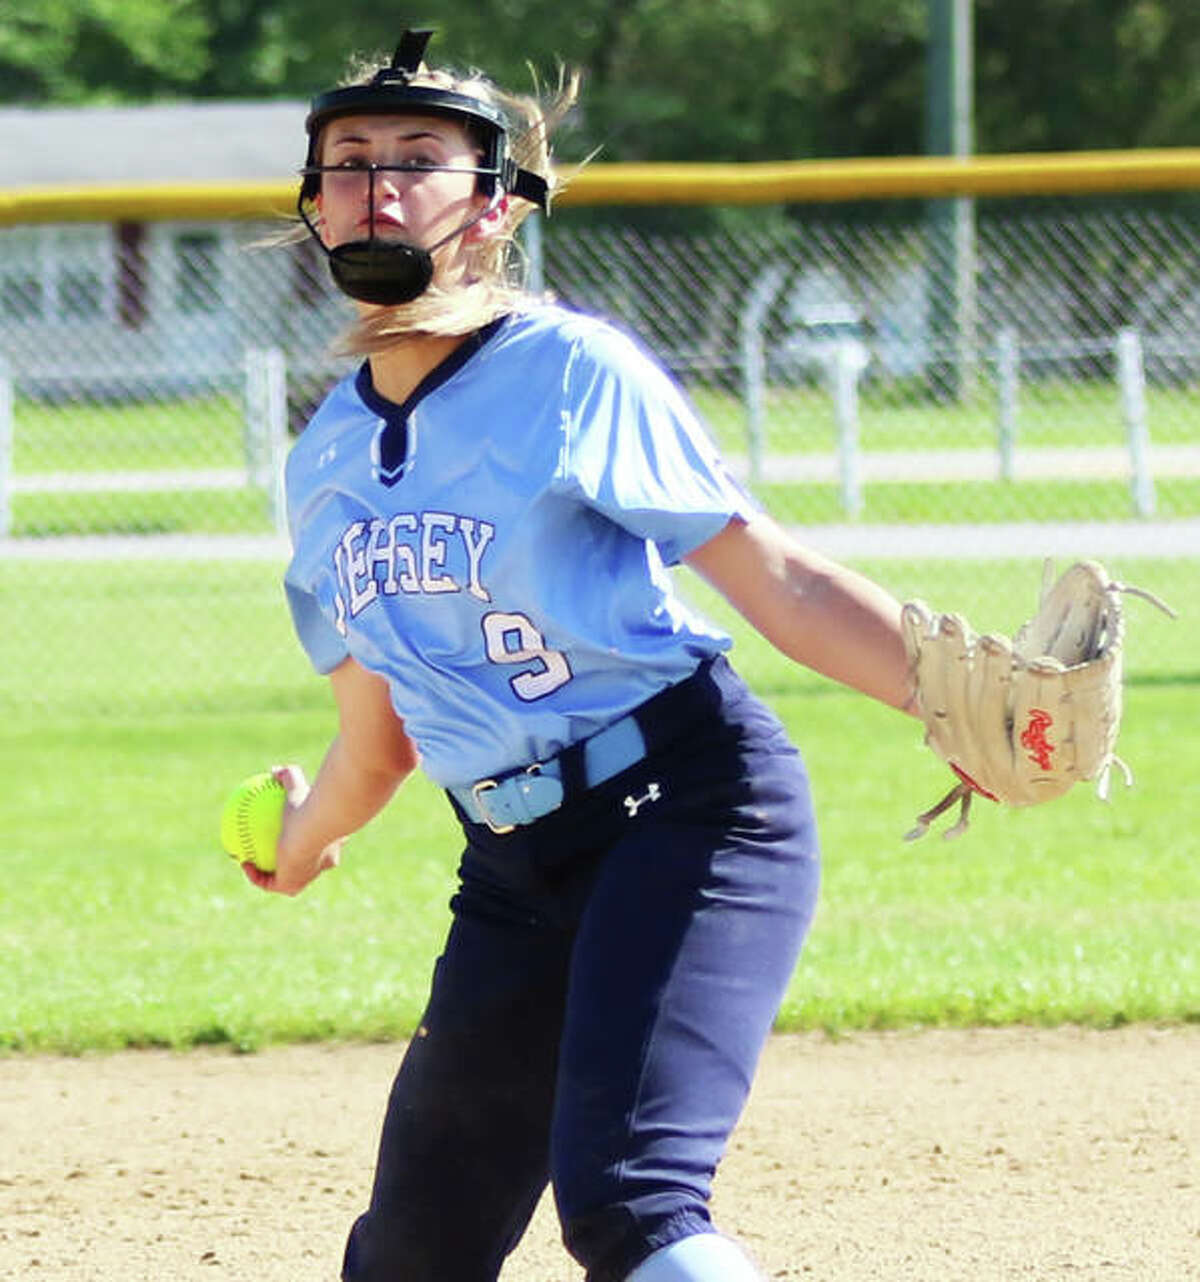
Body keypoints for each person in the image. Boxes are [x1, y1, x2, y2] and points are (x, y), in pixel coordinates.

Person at [248, 27, 915, 1282]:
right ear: (313, 204)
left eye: (418, 158)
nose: (378, 186)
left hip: (687, 808)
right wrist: (300, 842)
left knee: (630, 1198)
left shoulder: (571, 370)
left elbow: (772, 576)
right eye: (347, 159)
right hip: (510, 865)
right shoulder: (326, 454)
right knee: (410, 1255)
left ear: (496, 207)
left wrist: (942, 694)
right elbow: (378, 735)